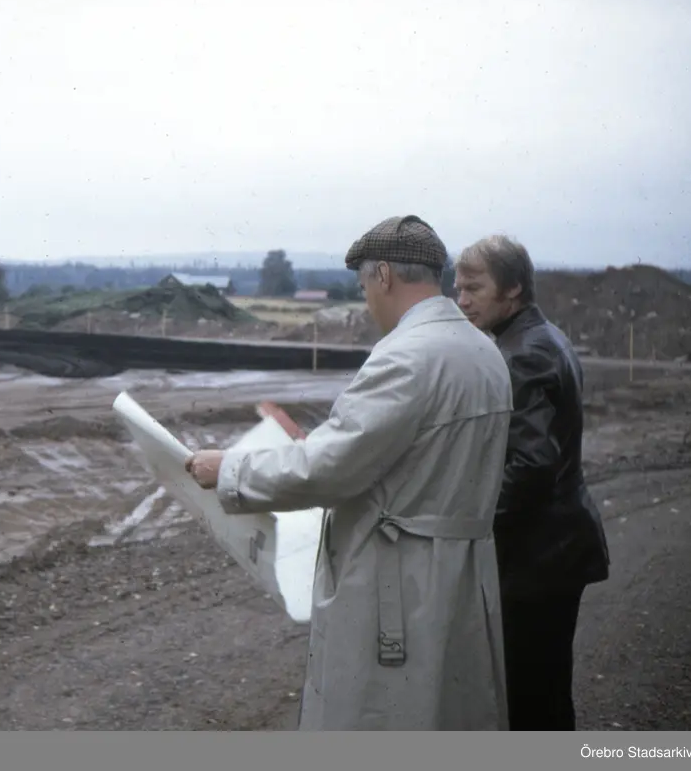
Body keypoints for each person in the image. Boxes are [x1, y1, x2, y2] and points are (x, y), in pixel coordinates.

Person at [186, 215, 515, 731]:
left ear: (383, 275)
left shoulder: (407, 357)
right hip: (463, 577)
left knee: (382, 719)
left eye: (365, 285)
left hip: (400, 583)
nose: (366, 300)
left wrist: (229, 468)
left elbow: (331, 467)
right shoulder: (484, 351)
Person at [453, 234, 610, 731]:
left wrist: (467, 523)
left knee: (531, 699)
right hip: (555, 547)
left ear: (514, 288)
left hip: (539, 556)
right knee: (541, 692)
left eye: (475, 287)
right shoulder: (544, 337)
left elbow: (532, 464)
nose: (462, 300)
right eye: (458, 288)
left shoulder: (522, 354)